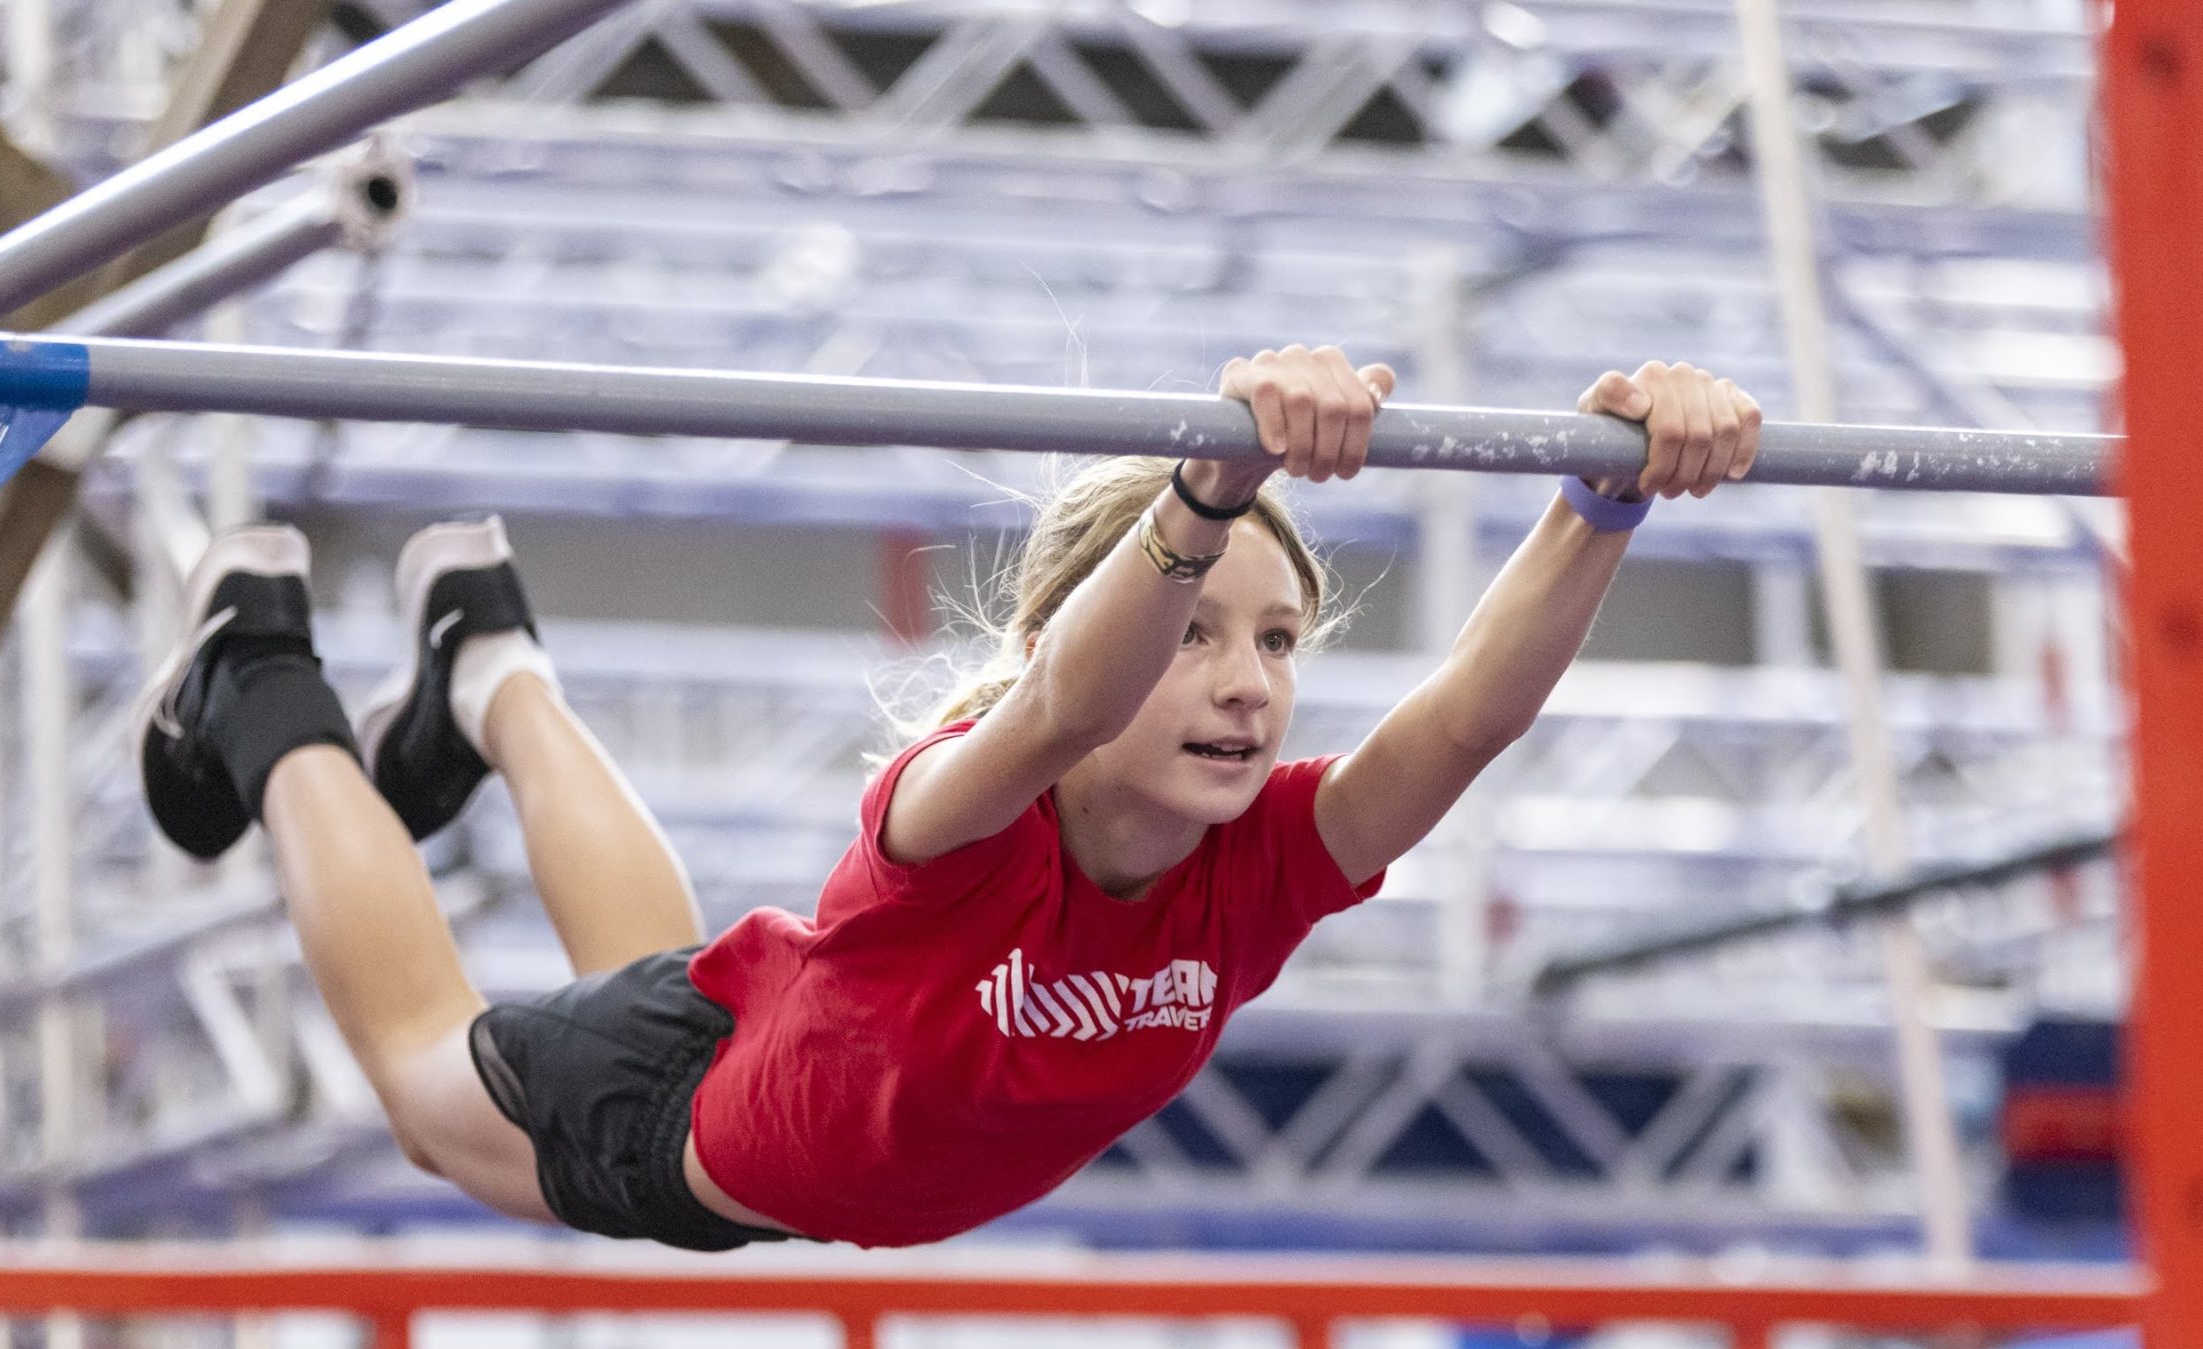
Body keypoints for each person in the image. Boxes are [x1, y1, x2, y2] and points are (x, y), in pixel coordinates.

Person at [137, 349, 1761, 1250]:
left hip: (759, 1067)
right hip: (691, 1133)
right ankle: (260, 680)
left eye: (1277, 641)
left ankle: (490, 662)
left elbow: (1467, 719)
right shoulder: (968, 820)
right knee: (428, 1095)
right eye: (1195, 639)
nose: (1249, 682)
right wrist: (1215, 487)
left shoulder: (1263, 868)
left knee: (655, 966)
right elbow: (1063, 697)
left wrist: (1601, 505)